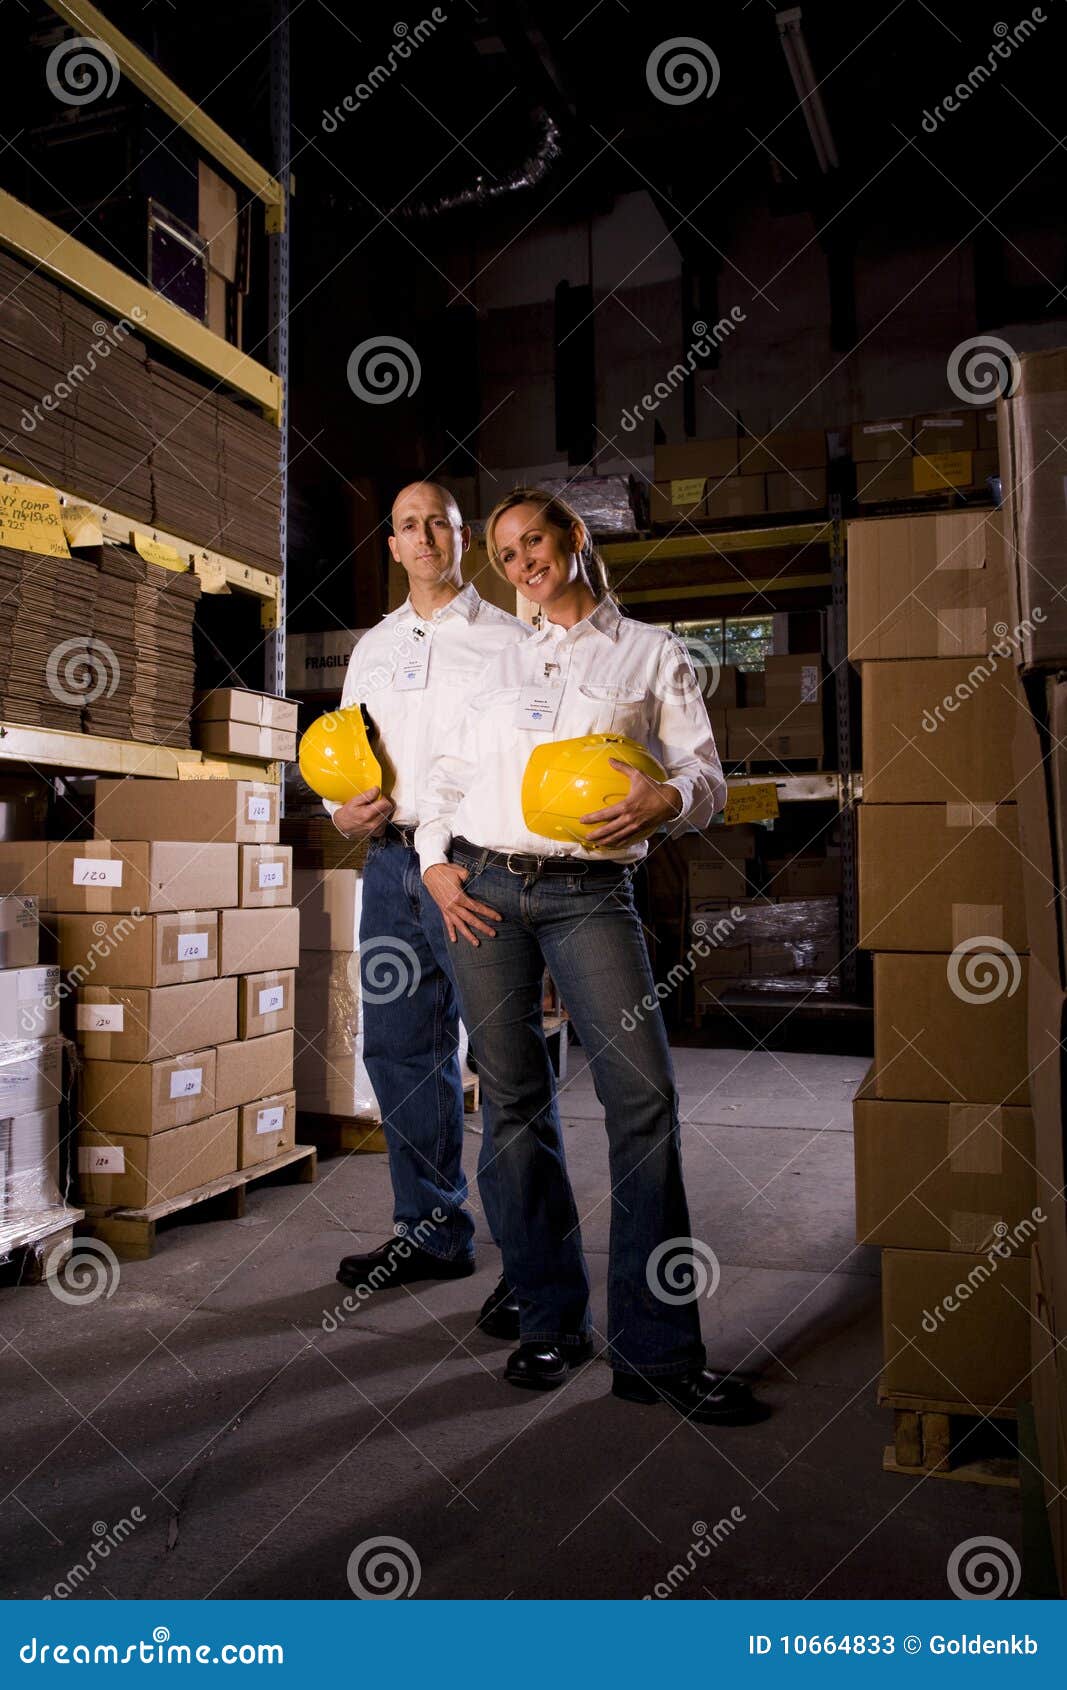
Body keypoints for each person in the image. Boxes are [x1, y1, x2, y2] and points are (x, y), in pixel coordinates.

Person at [416, 487, 764, 1424]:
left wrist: (668, 802)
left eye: (535, 539)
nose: (522, 559)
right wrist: (434, 865)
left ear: (572, 538)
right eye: (505, 550)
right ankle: (548, 1320)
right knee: (515, 1104)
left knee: (642, 1100)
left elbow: (706, 776)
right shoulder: (491, 657)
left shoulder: (650, 652)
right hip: (482, 892)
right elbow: (444, 777)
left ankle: (655, 1352)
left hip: (586, 895)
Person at [327, 480, 530, 1339]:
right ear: (393, 542)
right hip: (388, 866)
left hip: (477, 868)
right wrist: (341, 813)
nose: (423, 538)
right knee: (401, 1048)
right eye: (406, 525)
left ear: (462, 536)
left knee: (507, 1061)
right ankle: (431, 1231)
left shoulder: (509, 637)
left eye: (436, 524)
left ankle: (532, 1268)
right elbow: (343, 754)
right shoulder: (372, 647)